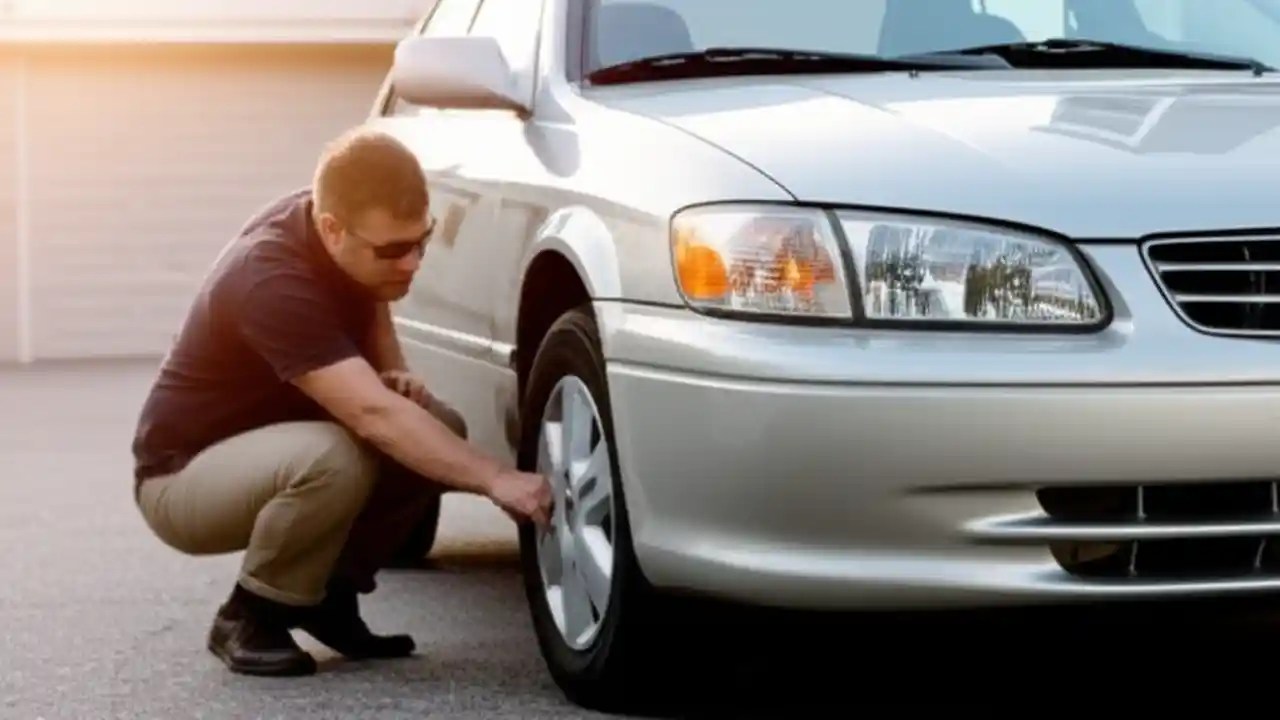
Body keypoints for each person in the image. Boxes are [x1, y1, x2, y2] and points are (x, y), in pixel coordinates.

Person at [130, 126, 553, 677]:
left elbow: (370, 294)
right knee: (337, 456)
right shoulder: (269, 279)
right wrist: (498, 478)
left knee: (435, 423)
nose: (411, 264)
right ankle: (251, 614)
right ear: (332, 230)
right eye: (394, 250)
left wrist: (392, 369)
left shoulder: (336, 232)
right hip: (182, 480)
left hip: (274, 446)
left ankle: (330, 595)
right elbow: (371, 414)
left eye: (421, 241)